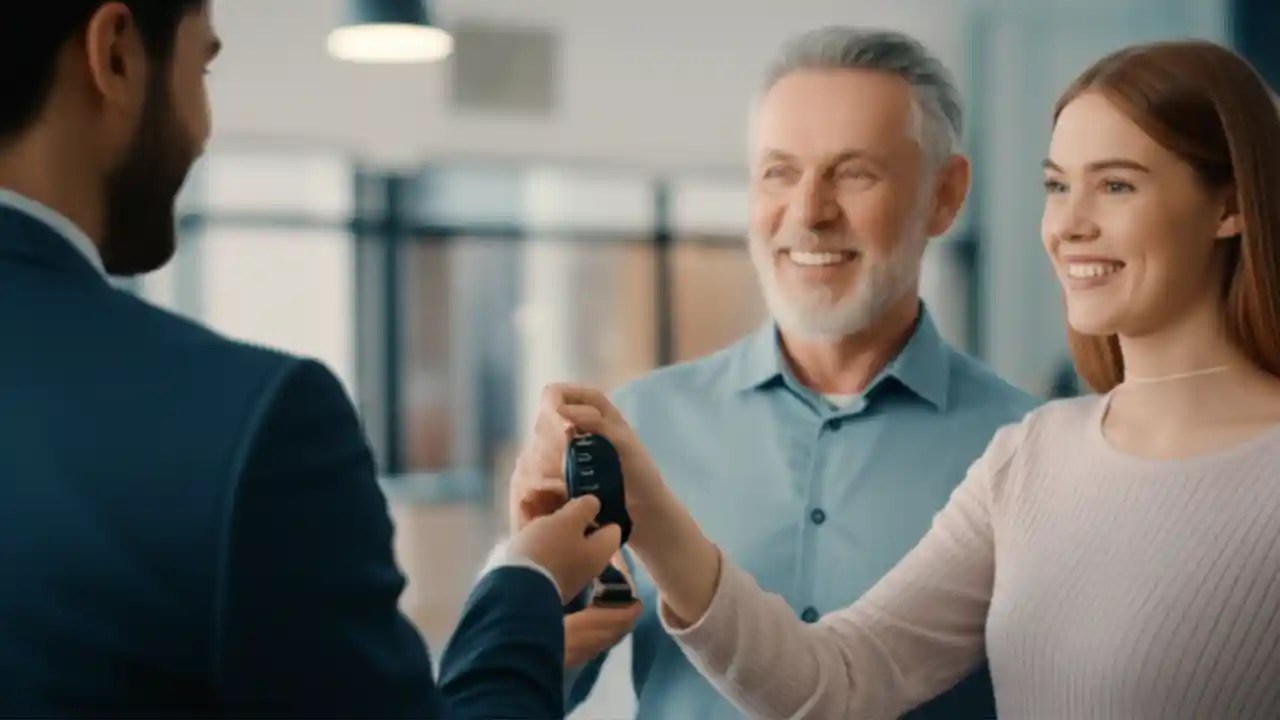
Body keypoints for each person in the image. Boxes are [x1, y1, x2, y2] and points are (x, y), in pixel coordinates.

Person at [527, 39, 1280, 719]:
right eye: (1056, 186)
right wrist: (629, 527)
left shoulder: (1011, 436)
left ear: (1230, 205)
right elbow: (840, 683)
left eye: (1116, 185)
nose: (1068, 225)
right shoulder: (1031, 455)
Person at [0, 2, 621, 717]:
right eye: (203, 69)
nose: (202, 131)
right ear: (115, 55)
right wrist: (524, 585)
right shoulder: (253, 425)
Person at [508, 26, 1037, 719]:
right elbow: (530, 693)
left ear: (945, 195)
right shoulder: (640, 427)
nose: (809, 213)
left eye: (854, 173)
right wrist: (529, 590)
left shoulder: (1026, 451)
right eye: (780, 172)